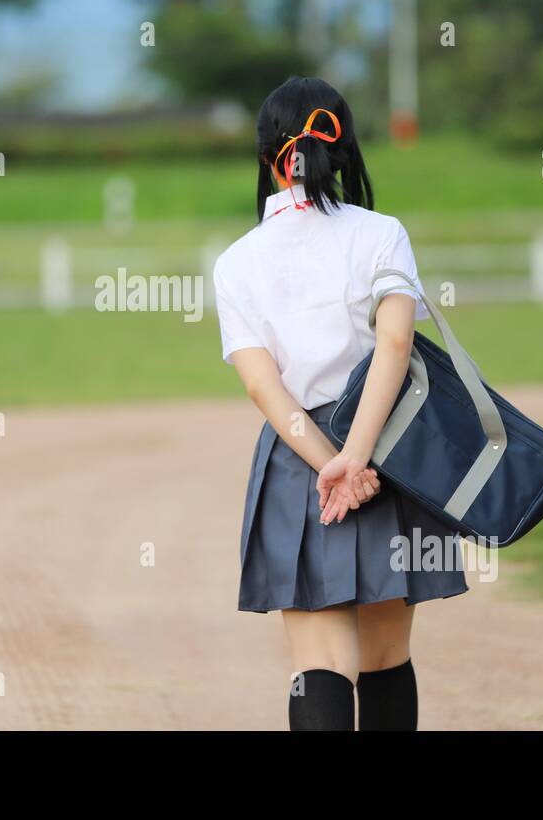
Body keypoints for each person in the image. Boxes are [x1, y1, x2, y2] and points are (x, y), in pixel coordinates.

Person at [212, 76, 468, 731]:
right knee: (386, 654)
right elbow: (395, 342)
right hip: (390, 452)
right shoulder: (381, 233)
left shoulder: (237, 262)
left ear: (267, 153)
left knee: (320, 660)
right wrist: (358, 457)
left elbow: (261, 384)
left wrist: (329, 460)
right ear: (345, 148)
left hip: (301, 465)